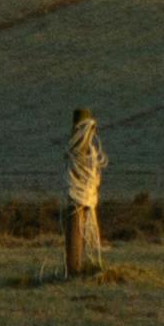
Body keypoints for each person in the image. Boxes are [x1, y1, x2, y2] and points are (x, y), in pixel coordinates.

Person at [64, 106, 104, 279]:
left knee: (78, 223)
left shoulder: (85, 152)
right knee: (75, 221)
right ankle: (74, 270)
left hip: (81, 198)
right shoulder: (78, 152)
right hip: (77, 198)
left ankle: (76, 270)